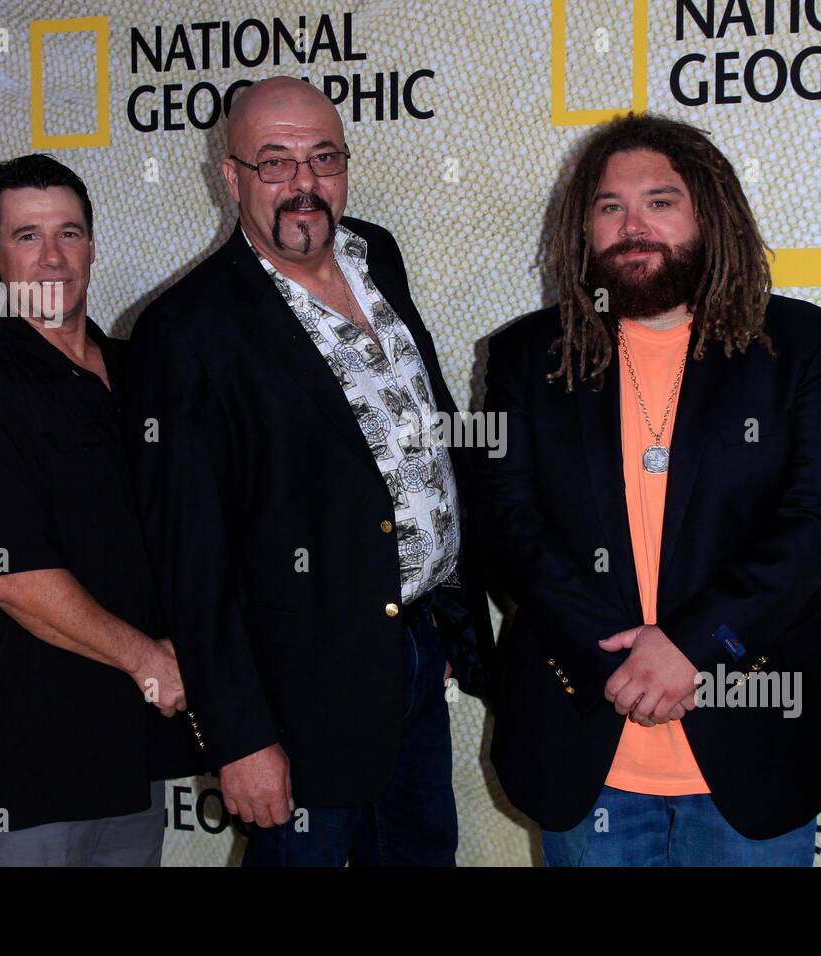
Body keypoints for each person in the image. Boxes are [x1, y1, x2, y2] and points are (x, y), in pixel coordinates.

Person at [479, 113, 821, 866]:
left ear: (708, 214)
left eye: (661, 202)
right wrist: (618, 669)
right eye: (610, 207)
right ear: (583, 229)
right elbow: (507, 525)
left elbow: (819, 513)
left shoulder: (797, 345)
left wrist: (696, 646)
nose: (634, 226)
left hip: (756, 746)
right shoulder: (526, 356)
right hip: (586, 743)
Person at [124, 77, 493, 867]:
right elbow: (192, 561)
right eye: (275, 162)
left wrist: (453, 606)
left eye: (323, 158)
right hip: (294, 691)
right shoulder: (184, 331)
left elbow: (414, 438)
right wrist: (242, 737)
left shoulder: (376, 254)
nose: (303, 184)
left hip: (417, 651)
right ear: (231, 178)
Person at [0, 154, 190, 866]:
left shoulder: (141, 373)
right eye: (27, 236)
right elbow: (14, 578)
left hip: (133, 754)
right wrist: (148, 661)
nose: (52, 257)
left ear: (93, 244)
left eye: (68, 233)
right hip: (27, 765)